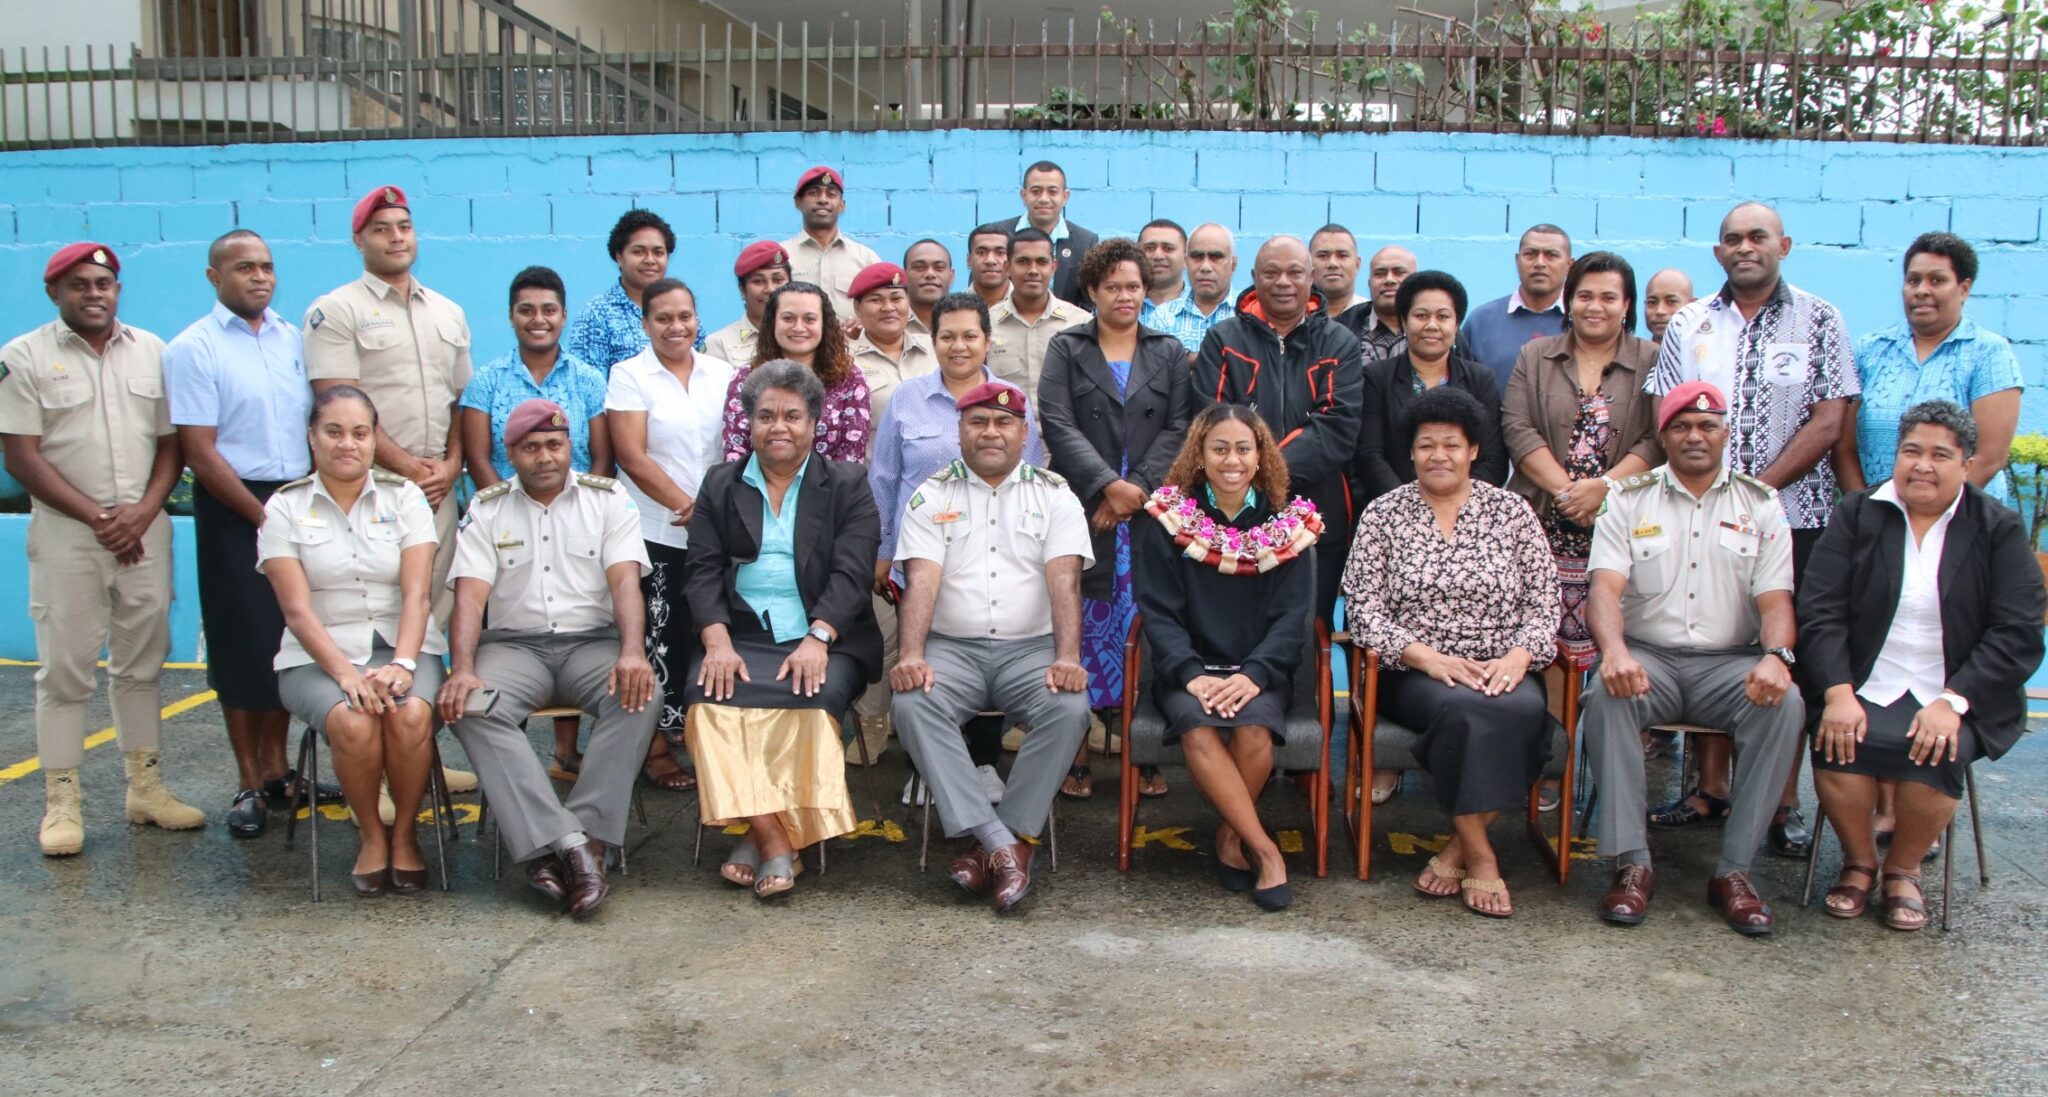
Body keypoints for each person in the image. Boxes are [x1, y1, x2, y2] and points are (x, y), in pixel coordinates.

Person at [1646, 200, 1861, 859]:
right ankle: (1711, 788)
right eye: (1733, 238)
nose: (1745, 247)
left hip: (1794, 518)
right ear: (1718, 253)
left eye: (1758, 236)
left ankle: (1779, 802)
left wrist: (1754, 491)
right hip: (1698, 517)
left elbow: (1829, 420)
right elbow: (1668, 410)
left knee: (1778, 655)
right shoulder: (1691, 320)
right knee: (1713, 641)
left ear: (1783, 245)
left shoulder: (1820, 317)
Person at [1801, 401, 2045, 932]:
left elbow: (2018, 630)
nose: (1923, 465)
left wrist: (1954, 701)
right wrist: (1839, 691)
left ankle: (1903, 869)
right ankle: (1860, 861)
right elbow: (1819, 610)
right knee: (1837, 736)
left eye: (1940, 454)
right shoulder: (1858, 513)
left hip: (1956, 688)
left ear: (1967, 463)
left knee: (1937, 743)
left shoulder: (1995, 527)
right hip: (1866, 679)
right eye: (1911, 451)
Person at [1579, 381, 1804, 935]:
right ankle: (1632, 863)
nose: (1694, 436)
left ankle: (1735, 872)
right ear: (1664, 435)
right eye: (1681, 426)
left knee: (1786, 704)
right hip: (1648, 659)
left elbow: (1775, 599)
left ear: (1726, 432)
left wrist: (1777, 657)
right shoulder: (1629, 498)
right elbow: (1604, 591)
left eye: (1707, 425)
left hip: (1731, 663)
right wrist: (1613, 652)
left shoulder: (1760, 503)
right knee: (1606, 693)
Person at [1, 242, 200, 856]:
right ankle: (62, 801)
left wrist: (142, 513)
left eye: (105, 283)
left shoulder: (153, 352)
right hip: (68, 537)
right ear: (54, 292)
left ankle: (145, 788)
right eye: (80, 284)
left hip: (143, 532)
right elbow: (21, 455)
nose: (94, 293)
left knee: (142, 665)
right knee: (65, 672)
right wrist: (97, 517)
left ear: (118, 290)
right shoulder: (22, 358)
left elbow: (173, 444)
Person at [1341, 386, 1560, 918]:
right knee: (1464, 712)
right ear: (1410, 453)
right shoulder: (1383, 514)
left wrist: (1519, 657)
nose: (1438, 456)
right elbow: (1360, 608)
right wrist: (1425, 657)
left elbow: (1546, 600)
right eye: (1426, 445)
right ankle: (1484, 859)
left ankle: (1457, 848)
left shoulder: (1511, 511)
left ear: (1473, 451)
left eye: (1451, 445)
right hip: (1412, 671)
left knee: (1528, 711)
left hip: (1501, 666)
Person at [439, 399, 660, 920]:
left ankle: (584, 838)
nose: (545, 457)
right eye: (531, 448)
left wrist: (633, 653)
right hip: (514, 648)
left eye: (554, 445)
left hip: (592, 643)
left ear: (570, 447)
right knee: (472, 706)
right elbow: (470, 597)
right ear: (510, 454)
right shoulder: (488, 508)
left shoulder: (608, 501)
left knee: (640, 696)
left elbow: (626, 581)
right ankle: (567, 845)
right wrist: (464, 667)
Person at [890, 380, 1094, 913]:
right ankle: (1001, 843)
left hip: (1031, 649)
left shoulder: (1054, 494)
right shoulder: (932, 495)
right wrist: (911, 654)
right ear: (959, 432)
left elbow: (1065, 581)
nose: (991, 432)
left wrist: (1067, 657)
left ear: (1025, 434)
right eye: (978, 422)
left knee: (1069, 708)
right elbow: (922, 581)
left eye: (1003, 423)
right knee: (913, 703)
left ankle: (998, 845)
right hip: (952, 649)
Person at [683, 361, 883, 900]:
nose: (779, 427)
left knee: (809, 698)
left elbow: (852, 572)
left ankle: (754, 834)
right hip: (740, 633)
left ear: (814, 422)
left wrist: (818, 638)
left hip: (824, 635)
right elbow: (701, 569)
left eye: (792, 416)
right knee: (708, 701)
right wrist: (716, 640)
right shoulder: (721, 484)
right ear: (748, 423)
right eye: (766, 415)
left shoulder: (847, 484)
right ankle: (775, 839)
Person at [303, 185, 477, 793]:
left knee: (428, 617)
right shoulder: (338, 310)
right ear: (359, 240)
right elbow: (338, 402)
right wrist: (408, 466)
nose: (396, 237)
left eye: (404, 226)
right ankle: (372, 771)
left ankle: (417, 753)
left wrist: (451, 463)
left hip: (436, 492)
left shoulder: (447, 312)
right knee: (372, 619)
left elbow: (462, 402)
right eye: (382, 229)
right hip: (369, 488)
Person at [164, 229, 332, 839]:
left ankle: (281, 773)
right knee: (243, 644)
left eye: (266, 267)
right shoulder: (194, 348)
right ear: (215, 277)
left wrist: (300, 507)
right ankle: (247, 780)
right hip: (237, 507)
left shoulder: (293, 339)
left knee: (287, 638)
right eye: (243, 268)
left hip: (293, 497)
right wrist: (266, 521)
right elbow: (200, 453)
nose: (259, 277)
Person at [258, 386, 445, 896]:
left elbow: (416, 594)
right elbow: (296, 610)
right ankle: (371, 837)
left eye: (360, 433)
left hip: (402, 645)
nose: (348, 444)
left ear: (373, 439)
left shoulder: (403, 497)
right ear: (312, 438)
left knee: (410, 714)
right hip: (317, 659)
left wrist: (405, 663)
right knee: (353, 718)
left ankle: (404, 835)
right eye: (334, 432)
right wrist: (345, 675)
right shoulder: (284, 507)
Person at [1133, 405, 1318, 911]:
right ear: (1200, 455)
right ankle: (1263, 847)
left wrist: (1254, 675)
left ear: (1261, 457)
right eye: (1219, 448)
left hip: (1259, 671)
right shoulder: (1166, 519)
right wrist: (1191, 675)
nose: (1231, 459)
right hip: (1187, 668)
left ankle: (1230, 837)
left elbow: (1292, 618)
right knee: (1197, 728)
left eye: (1243, 448)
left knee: (1255, 729)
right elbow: (1158, 611)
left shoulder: (1288, 524)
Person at [866, 293, 1046, 795]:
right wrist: (884, 550)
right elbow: (883, 478)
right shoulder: (907, 398)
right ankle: (927, 768)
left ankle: (983, 762)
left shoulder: (1011, 400)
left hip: (995, 559)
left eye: (970, 335)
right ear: (933, 340)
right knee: (920, 661)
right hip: (917, 560)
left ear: (988, 340)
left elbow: (1031, 478)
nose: (959, 346)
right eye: (948, 336)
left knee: (987, 649)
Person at [1502, 252, 1662, 807]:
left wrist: (1604, 490)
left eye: (1609, 297)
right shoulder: (1536, 355)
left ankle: (1607, 769)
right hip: (1543, 521)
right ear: (1570, 300)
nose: (1596, 306)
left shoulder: (1652, 360)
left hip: (1619, 526)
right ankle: (1549, 764)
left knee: (1608, 642)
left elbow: (1656, 440)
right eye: (1586, 295)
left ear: (1626, 306)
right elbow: (1516, 427)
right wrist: (1570, 492)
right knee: (1545, 647)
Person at [1038, 238, 1193, 802]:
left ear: (1145, 291)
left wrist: (1138, 490)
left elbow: (1180, 426)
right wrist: (1108, 484)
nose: (1124, 296)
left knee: (1145, 628)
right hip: (1083, 505)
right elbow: (1057, 422)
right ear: (1092, 291)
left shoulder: (1170, 351)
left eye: (1133, 286)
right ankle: (1074, 752)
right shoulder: (1067, 347)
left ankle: (1139, 751)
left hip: (1151, 512)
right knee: (1078, 622)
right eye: (1112, 287)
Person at [607, 278, 736, 792]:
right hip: (653, 527)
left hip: (712, 530)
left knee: (700, 629)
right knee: (655, 635)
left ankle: (694, 732)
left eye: (685, 316)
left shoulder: (722, 373)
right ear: (646, 324)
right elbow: (632, 455)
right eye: (663, 318)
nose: (675, 326)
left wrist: (712, 510)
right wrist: (688, 505)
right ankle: (654, 749)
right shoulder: (629, 374)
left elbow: (733, 447)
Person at [1194, 235, 1363, 623]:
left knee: (1307, 632)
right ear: (1254, 277)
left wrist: (1263, 468)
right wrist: (1250, 475)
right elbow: (1212, 424)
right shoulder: (1223, 340)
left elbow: (1336, 428)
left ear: (1311, 277)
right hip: (1233, 512)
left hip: (1319, 517)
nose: (1283, 282)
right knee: (1237, 624)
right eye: (1271, 273)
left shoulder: (1340, 342)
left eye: (1294, 272)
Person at [1838, 233, 2022, 505]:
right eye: (1913, 280)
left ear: (1963, 289)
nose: (1921, 290)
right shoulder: (1871, 350)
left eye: (1937, 280)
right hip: (1876, 524)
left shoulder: (1988, 353)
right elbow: (1844, 447)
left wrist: (1926, 518)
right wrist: (1867, 512)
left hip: (1959, 523)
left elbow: (1989, 457)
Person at [1356, 270, 1509, 504]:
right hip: (1394, 513)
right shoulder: (1377, 377)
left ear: (1457, 323)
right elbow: (1370, 455)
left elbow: (1493, 459)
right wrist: (1408, 507)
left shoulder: (1480, 379)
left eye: (1443, 316)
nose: (1431, 325)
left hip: (1468, 517)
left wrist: (1462, 506)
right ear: (1404, 321)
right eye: (1421, 315)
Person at [460, 266, 611, 488]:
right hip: (506, 515)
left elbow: (604, 459)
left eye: (549, 310)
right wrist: (507, 511)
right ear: (511, 316)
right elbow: (477, 460)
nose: (538, 319)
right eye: (526, 310)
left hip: (579, 513)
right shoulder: (486, 381)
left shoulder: (589, 380)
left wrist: (582, 508)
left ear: (563, 316)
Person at [723, 282, 871, 463]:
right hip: (756, 488)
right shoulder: (746, 378)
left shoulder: (849, 379)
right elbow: (735, 452)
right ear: (772, 322)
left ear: (824, 324)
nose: (799, 327)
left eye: (809, 319)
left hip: (833, 490)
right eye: (788, 318)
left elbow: (851, 456)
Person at [1461, 224, 1572, 392]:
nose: (1540, 263)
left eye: (1551, 255)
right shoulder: (1481, 321)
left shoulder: (1583, 321)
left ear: (1569, 265)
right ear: (1517, 260)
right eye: (1530, 254)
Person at [562, 208, 674, 372]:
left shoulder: (680, 309)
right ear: (619, 256)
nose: (650, 260)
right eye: (639, 251)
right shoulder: (597, 315)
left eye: (658, 252)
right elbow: (588, 388)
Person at [986, 227, 1089, 398]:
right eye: (1023, 262)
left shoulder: (1081, 323)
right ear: (1007, 267)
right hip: (1007, 424)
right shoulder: (987, 323)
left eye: (1042, 262)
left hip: (1063, 425)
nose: (1033, 270)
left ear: (1054, 266)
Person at [848, 262, 937, 436]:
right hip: (872, 462)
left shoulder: (936, 348)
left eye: (896, 299)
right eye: (876, 300)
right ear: (857, 308)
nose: (888, 308)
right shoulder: (845, 360)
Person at [782, 165, 882, 316]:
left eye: (831, 194)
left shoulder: (865, 258)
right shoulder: (782, 256)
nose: (823, 200)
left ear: (842, 206)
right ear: (798, 202)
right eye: (813, 193)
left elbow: (881, 305)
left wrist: (862, 322)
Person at [1016, 160, 1100, 307]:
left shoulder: (1086, 242)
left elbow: (1091, 300)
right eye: (1036, 191)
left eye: (1052, 192)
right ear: (1023, 195)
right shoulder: (1001, 236)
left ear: (1065, 196)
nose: (1043, 199)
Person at [1148, 222, 1239, 355]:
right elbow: (1154, 366)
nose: (1205, 267)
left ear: (1233, 265)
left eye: (1216, 257)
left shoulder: (1248, 314)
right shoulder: (1163, 317)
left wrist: (1184, 359)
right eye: (1197, 257)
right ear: (1186, 262)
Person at [702, 241, 791, 370]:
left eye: (778, 280)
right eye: (758, 281)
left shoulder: (802, 336)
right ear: (742, 290)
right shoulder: (719, 343)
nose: (770, 289)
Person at [1352, 245, 1417, 360]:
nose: (1389, 280)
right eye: (1380, 274)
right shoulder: (1344, 330)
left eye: (1399, 272)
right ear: (1369, 283)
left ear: (1417, 281)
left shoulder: (1437, 330)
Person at [1310, 224, 1367, 327]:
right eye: (1323, 256)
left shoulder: (1372, 317)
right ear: (1308, 264)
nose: (1333, 263)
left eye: (1342, 255)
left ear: (1357, 264)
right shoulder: (1293, 317)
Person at [1137, 218, 1188, 325]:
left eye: (1168, 248)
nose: (1158, 256)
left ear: (1186, 258)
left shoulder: (1206, 308)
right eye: (1149, 248)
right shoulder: (1114, 308)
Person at [902, 239, 955, 337]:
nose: (930, 274)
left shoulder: (967, 321)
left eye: (939, 267)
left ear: (951, 276)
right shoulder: (890, 322)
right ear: (904, 275)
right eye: (919, 267)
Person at [1642, 268, 1694, 346]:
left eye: (1671, 302)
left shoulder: (1710, 355)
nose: (1660, 311)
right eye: (1652, 302)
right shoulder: (1634, 356)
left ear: (1693, 306)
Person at [965, 222, 1011, 309]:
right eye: (981, 252)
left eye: (1000, 252)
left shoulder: (1033, 308)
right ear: (968, 260)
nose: (990, 260)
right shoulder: (952, 310)